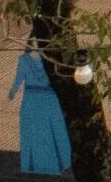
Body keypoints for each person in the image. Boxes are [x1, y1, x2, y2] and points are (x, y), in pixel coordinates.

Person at [9, 45, 71, 175]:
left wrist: (12, 93)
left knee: (33, 132)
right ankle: (57, 164)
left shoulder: (23, 60)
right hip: (49, 99)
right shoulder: (51, 60)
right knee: (52, 130)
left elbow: (18, 80)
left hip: (31, 100)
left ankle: (33, 165)